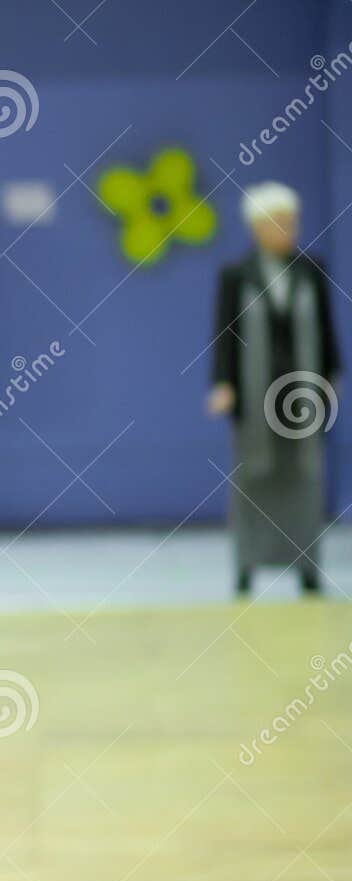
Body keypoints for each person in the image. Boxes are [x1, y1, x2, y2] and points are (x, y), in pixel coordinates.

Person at [211, 181, 340, 597]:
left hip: (302, 395)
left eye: (291, 221)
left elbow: (325, 331)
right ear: (256, 227)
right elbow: (224, 335)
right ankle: (247, 566)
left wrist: (331, 377)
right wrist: (223, 383)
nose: (286, 229)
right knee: (252, 480)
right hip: (254, 396)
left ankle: (307, 567)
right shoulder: (236, 276)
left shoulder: (312, 271)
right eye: (277, 222)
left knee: (305, 479)